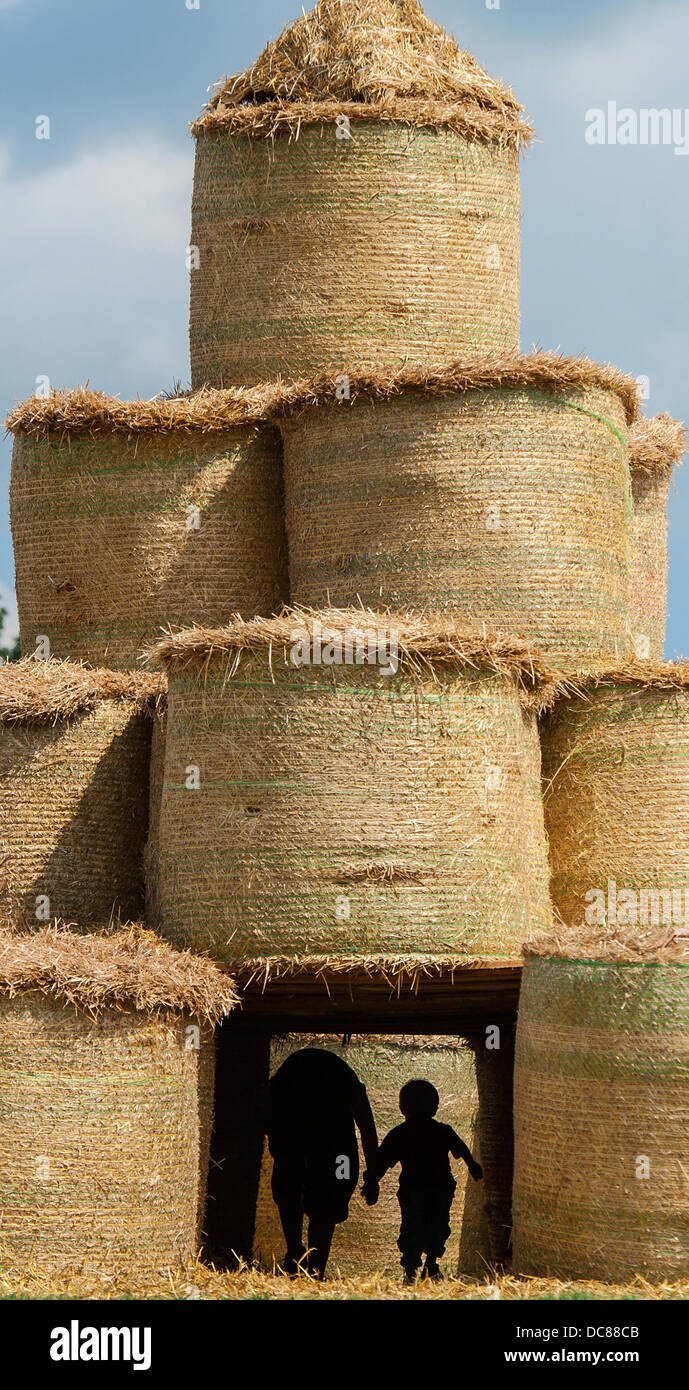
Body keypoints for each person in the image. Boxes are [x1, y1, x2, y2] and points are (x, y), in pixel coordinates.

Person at [266, 1046, 379, 1278]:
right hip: (330, 1151)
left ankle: (302, 1257)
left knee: (309, 1192)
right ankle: (310, 1264)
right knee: (317, 1196)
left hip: (331, 1151)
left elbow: (367, 1129)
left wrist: (372, 1175)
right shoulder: (335, 1083)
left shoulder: (331, 1082)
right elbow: (367, 1129)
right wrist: (373, 1176)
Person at [361, 1077, 483, 1282]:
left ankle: (413, 1269)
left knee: (413, 1227)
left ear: (401, 1108)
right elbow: (461, 1149)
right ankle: (429, 1265)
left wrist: (372, 1181)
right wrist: (471, 1164)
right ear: (435, 1107)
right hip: (438, 1189)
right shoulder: (441, 1131)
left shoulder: (401, 1133)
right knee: (437, 1225)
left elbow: (381, 1161)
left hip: (415, 1190)